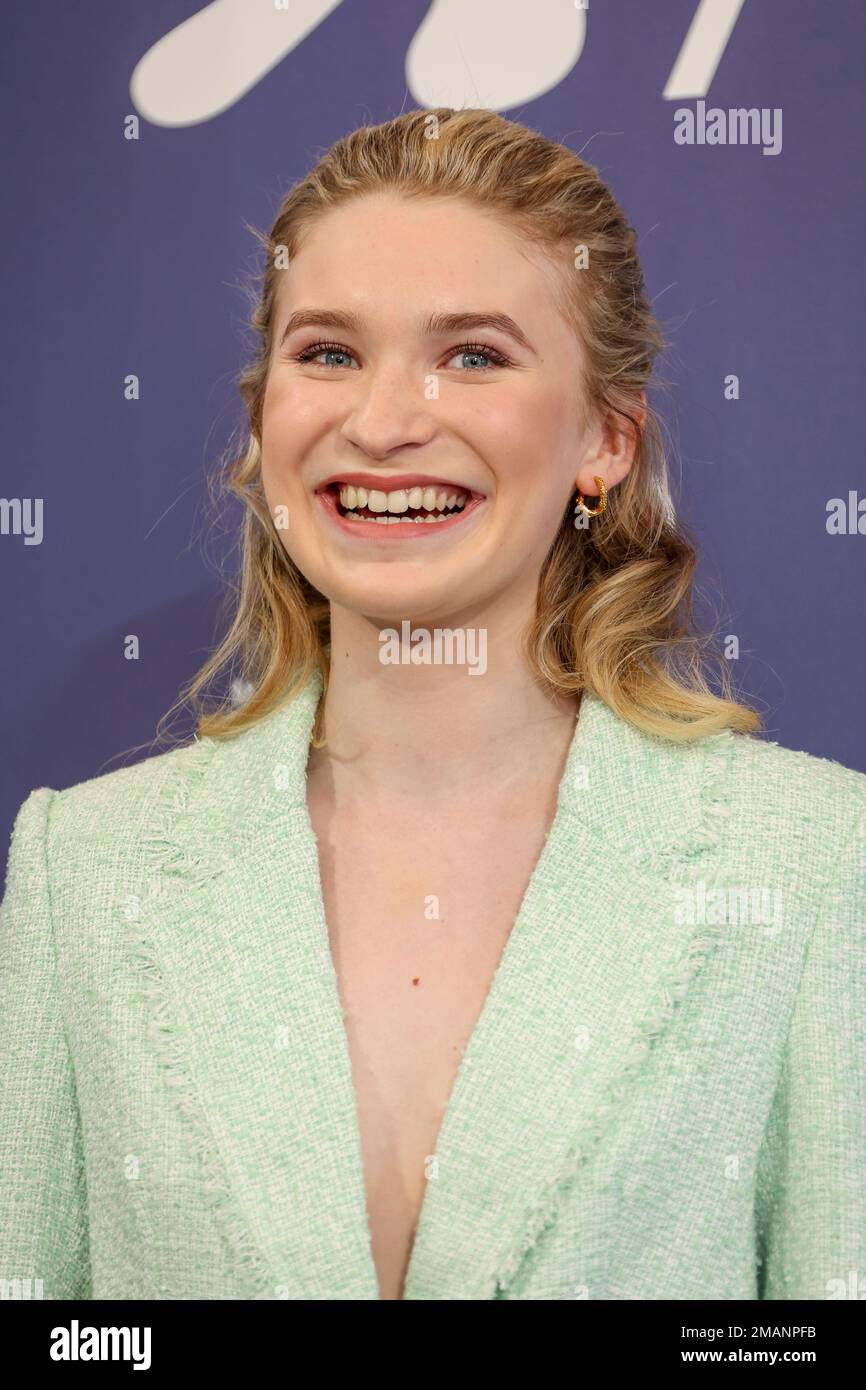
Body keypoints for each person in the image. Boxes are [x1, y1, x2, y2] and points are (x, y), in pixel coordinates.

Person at [1, 107, 864, 1302]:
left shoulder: (815, 861)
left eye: (472, 354)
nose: (384, 421)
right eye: (327, 353)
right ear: (263, 422)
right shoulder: (82, 867)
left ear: (604, 441)